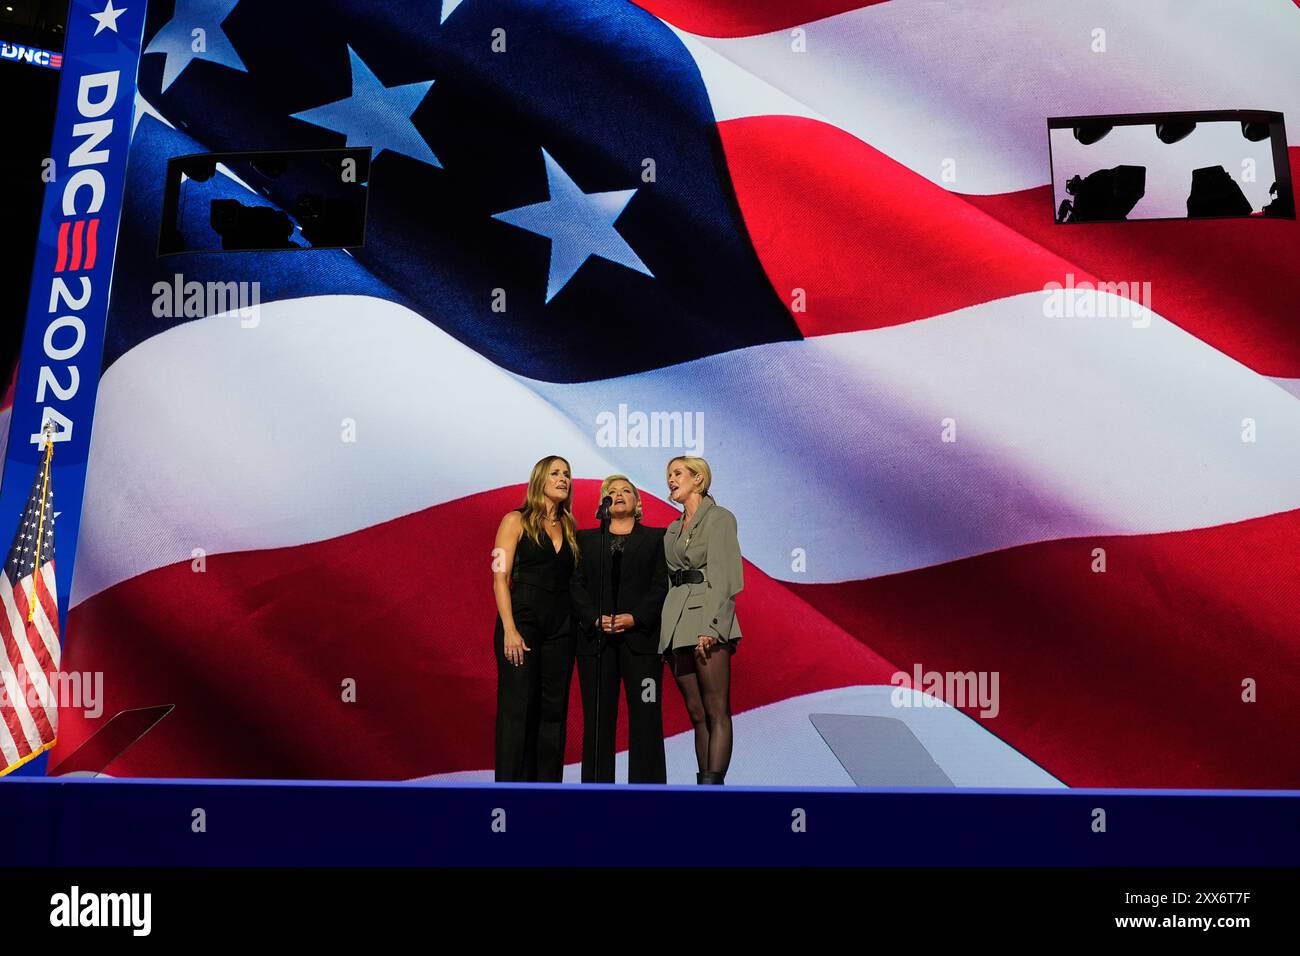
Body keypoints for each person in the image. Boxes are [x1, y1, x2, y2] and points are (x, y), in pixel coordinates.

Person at [570, 475, 670, 783]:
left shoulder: (657, 538)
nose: (618, 495)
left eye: (626, 491)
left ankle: (648, 797)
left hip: (642, 643)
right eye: (611, 492)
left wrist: (635, 618)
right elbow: (575, 584)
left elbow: (660, 585)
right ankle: (596, 798)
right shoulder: (586, 540)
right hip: (596, 644)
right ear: (603, 503)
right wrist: (594, 618)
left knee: (646, 718)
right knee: (598, 720)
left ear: (638, 503)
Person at [492, 455, 580, 782]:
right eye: (555, 473)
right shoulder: (514, 520)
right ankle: (510, 794)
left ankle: (547, 793)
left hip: (561, 627)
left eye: (567, 474)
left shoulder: (569, 525)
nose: (563, 479)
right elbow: (500, 578)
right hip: (523, 621)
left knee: (553, 711)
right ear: (540, 480)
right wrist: (510, 630)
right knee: (518, 709)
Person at [660, 456, 742, 785]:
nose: (670, 479)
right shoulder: (671, 529)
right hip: (677, 623)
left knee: (715, 709)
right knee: (696, 714)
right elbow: (670, 579)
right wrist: (666, 634)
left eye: (677, 473)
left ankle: (713, 788)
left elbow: (725, 577)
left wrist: (713, 626)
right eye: (668, 475)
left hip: (706, 620)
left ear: (698, 479)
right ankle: (702, 788)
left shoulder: (720, 519)